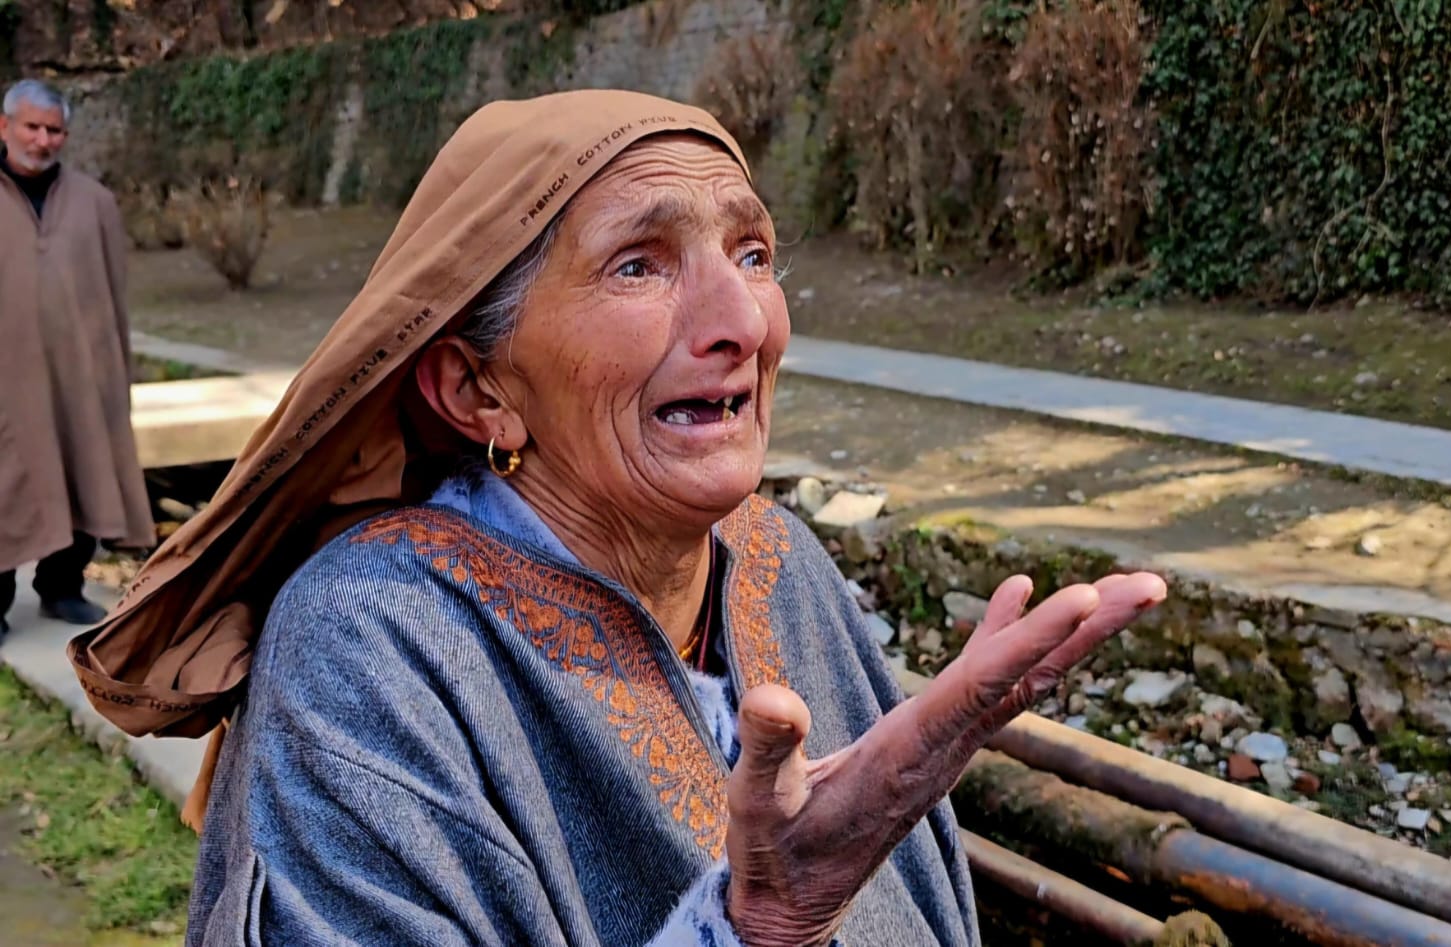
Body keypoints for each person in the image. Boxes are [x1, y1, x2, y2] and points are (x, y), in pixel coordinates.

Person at [68, 90, 1166, 945]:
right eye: (639, 264)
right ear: (477, 390)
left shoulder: (782, 563)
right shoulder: (372, 644)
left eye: (752, 254)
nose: (743, 320)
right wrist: (756, 924)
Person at [0, 79, 155, 639]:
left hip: (79, 374)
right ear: (4, 126)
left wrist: (116, 377)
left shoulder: (95, 203)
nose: (42, 141)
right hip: (7, 378)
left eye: (53, 130)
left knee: (83, 471)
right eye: (31, 127)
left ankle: (62, 589)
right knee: (8, 484)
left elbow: (111, 295)